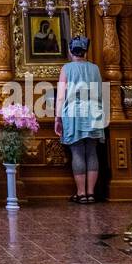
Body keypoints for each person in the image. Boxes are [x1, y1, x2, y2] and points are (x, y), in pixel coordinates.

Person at [55, 37, 105, 204]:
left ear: (70, 51)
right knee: (91, 151)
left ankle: (81, 193)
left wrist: (58, 117)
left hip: (74, 113)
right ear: (85, 51)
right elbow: (100, 92)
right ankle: (91, 193)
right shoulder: (95, 68)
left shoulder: (67, 69)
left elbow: (61, 96)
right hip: (94, 112)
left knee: (77, 152)